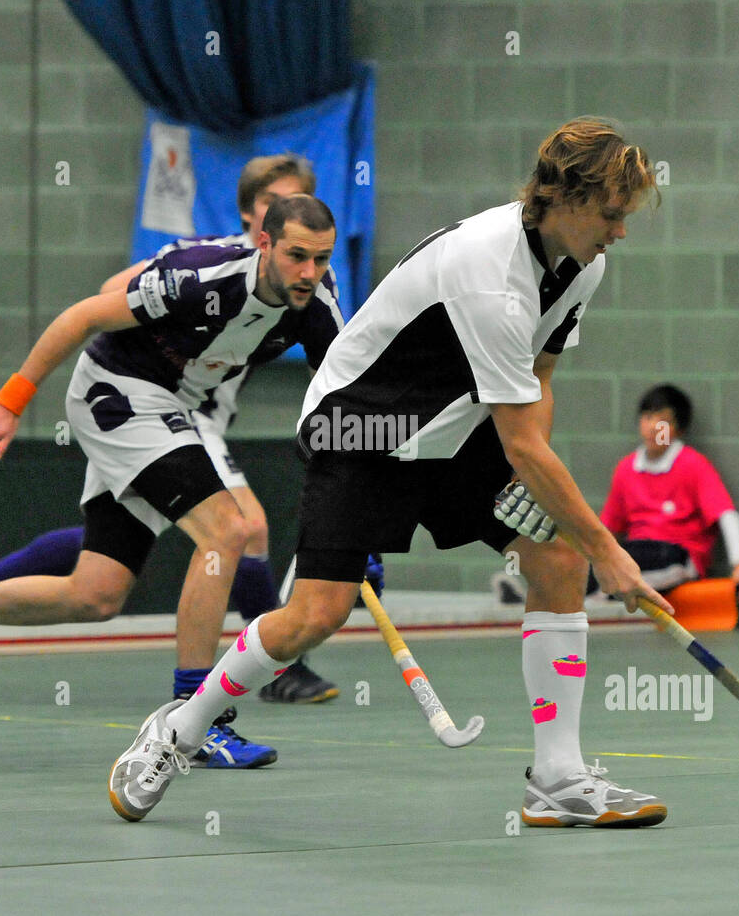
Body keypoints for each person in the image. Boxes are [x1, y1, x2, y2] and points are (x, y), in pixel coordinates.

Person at [106, 115, 681, 827]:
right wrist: (610, 549)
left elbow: (539, 378)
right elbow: (526, 442)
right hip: (361, 427)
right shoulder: (490, 271)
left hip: (457, 426)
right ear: (563, 197)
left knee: (557, 558)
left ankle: (558, 778)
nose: (620, 231)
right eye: (612, 214)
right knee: (313, 616)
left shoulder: (584, 263)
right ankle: (180, 729)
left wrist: (537, 498)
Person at [0, 195, 344, 759]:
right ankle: (192, 721)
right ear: (262, 243)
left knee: (95, 593)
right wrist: (9, 401)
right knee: (228, 532)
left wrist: (360, 526)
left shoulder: (316, 306)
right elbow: (86, 315)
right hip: (117, 393)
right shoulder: (198, 277)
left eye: (321, 259)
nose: (309, 273)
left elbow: (343, 399)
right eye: (297, 256)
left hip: (174, 408)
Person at [589, 383, 739, 604]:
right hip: (637, 552)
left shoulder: (693, 464)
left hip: (678, 555)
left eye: (662, 422)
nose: (653, 427)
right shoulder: (626, 469)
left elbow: (727, 516)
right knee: (598, 565)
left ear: (679, 430)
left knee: (614, 579)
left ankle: (597, 598)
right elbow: (608, 528)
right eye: (647, 418)